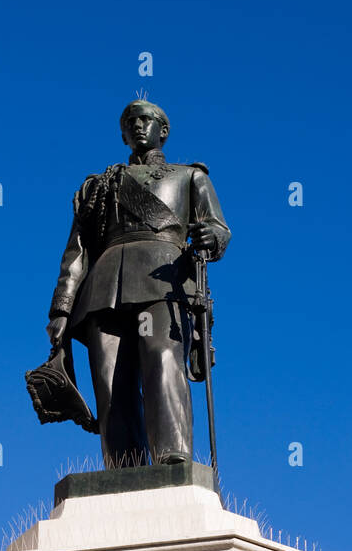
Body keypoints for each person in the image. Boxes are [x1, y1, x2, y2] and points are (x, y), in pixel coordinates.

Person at [46, 100, 230, 466]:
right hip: (104, 287)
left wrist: (211, 236)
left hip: (163, 277)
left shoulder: (190, 176)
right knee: (110, 378)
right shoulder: (100, 187)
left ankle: (172, 457)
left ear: (164, 130)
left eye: (146, 119)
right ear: (123, 135)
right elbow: (77, 251)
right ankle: (123, 465)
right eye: (130, 122)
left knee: (161, 357)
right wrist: (61, 310)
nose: (138, 125)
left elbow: (219, 228)